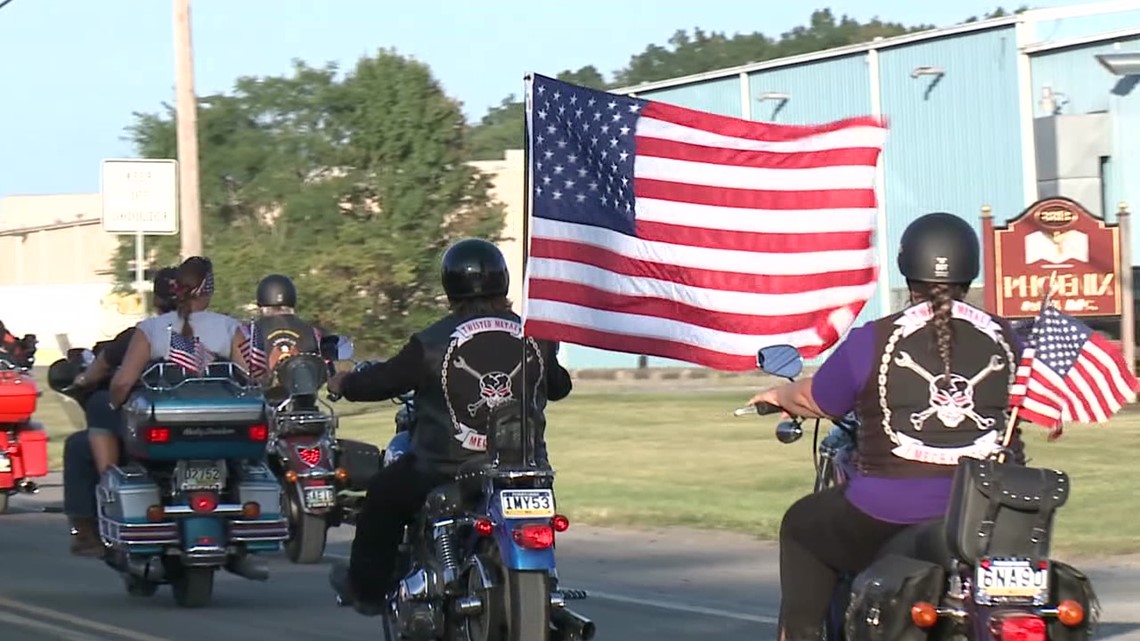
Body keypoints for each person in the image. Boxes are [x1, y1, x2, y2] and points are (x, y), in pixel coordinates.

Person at [747, 213, 1025, 641]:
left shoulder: (874, 339)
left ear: (906, 267)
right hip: (989, 515)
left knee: (800, 526)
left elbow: (817, 398)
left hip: (888, 512)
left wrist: (779, 397)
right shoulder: (1008, 339)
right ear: (971, 269)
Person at [326, 238, 573, 614]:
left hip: (445, 467)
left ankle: (368, 590)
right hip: (525, 465)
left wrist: (346, 383)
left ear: (449, 285)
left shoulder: (431, 342)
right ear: (503, 281)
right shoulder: (536, 336)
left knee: (382, 494)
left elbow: (383, 381)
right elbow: (559, 386)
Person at [61, 267, 179, 556]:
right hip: (212, 429)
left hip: (156, 426)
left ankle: (99, 503)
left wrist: (82, 381)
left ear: (157, 301)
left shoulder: (141, 335)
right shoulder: (222, 330)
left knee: (98, 410)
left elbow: (107, 376)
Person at [101, 257, 249, 473]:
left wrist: (114, 405)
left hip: (164, 430)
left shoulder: (150, 329)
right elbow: (252, 377)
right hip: (224, 428)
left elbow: (123, 383)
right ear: (208, 291)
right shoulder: (230, 327)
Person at [241, 274, 323, 388]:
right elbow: (325, 368)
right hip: (304, 395)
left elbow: (238, 370)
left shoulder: (248, 331)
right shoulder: (313, 332)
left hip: (261, 397)